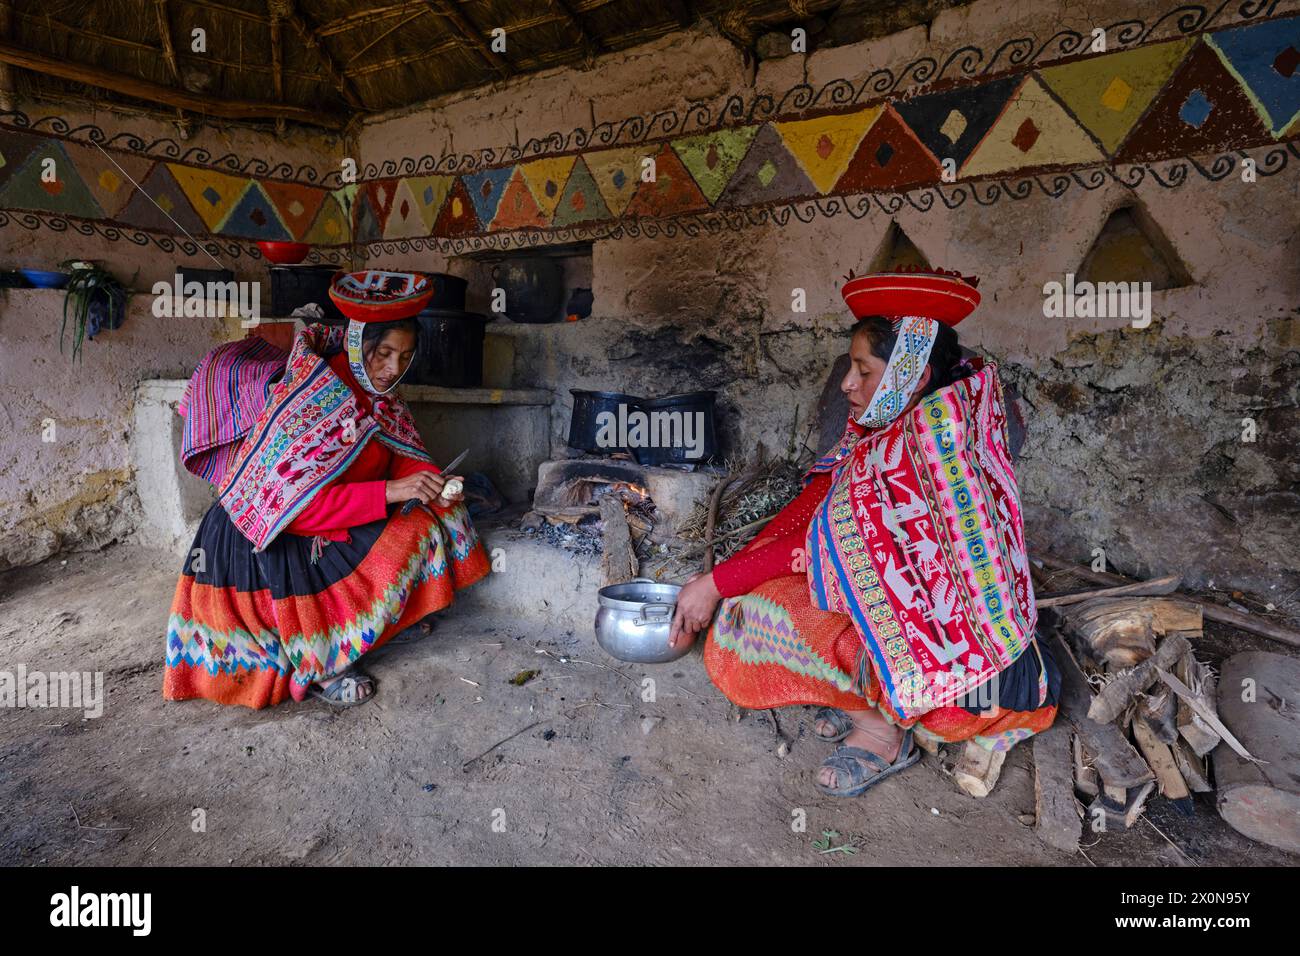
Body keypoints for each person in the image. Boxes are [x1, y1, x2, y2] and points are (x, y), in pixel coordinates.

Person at [670, 267, 1060, 797]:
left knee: (766, 610)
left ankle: (883, 734)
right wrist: (725, 572)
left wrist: (716, 585)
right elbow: (810, 513)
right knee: (763, 588)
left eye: (864, 371)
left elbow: (808, 549)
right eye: (850, 370)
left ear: (910, 376)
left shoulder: (920, 449)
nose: (847, 384)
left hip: (983, 686)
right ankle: (868, 701)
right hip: (956, 660)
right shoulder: (888, 430)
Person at [164, 293, 490, 710]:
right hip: (266, 541)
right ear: (358, 346)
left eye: (405, 357)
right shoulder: (311, 396)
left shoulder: (381, 397)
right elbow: (298, 510)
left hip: (334, 516)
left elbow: (402, 457)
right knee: (311, 560)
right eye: (384, 353)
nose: (393, 369)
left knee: (430, 520)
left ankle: (383, 625)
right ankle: (322, 665)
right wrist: (392, 492)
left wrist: (430, 482)